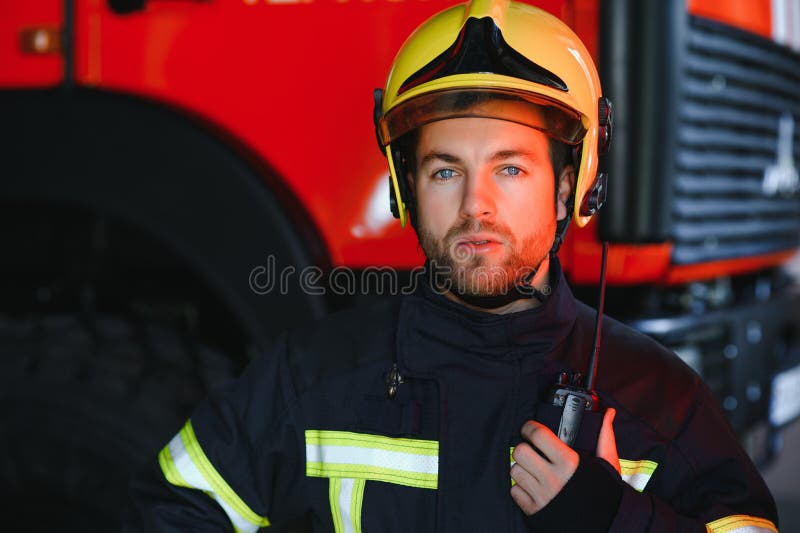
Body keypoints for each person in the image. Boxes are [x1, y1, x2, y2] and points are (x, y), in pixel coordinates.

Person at [125, 1, 779, 531]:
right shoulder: (309, 380)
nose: (476, 206)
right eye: (445, 170)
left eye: (510, 168)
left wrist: (613, 518)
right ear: (407, 190)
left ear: (569, 188)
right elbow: (175, 510)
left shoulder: (657, 399)